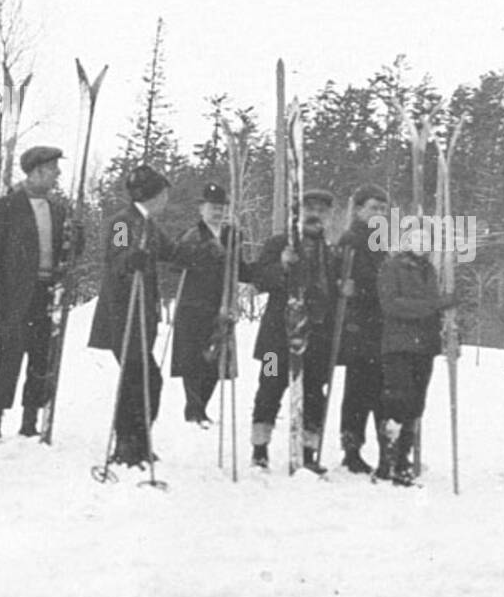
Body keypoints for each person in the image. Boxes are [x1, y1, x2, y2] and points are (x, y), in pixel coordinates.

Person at [89, 166, 207, 467]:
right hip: (122, 316)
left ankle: (136, 444)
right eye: (164, 193)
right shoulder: (122, 223)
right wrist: (132, 259)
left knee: (142, 381)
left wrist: (201, 250)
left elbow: (174, 252)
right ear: (154, 195)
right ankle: (128, 445)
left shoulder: (149, 225)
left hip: (143, 318)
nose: (167, 199)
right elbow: (115, 259)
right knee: (141, 381)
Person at [0, 145, 73, 438]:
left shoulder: (58, 210)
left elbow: (67, 252)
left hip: (45, 293)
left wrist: (75, 239)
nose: (57, 174)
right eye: (53, 168)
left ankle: (30, 419)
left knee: (41, 358)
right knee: (10, 357)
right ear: (37, 171)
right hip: (15, 295)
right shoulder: (7, 207)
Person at [249, 188, 338, 473]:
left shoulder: (331, 252)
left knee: (314, 394)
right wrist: (282, 266)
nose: (316, 215)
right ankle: (259, 449)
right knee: (270, 387)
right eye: (310, 209)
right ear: (299, 212)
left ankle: (309, 452)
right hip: (277, 339)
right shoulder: (279, 244)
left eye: (322, 211)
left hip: (316, 340)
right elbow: (260, 278)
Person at [375, 222, 456, 486]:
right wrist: (433, 306)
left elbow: (436, 306)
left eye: (426, 238)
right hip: (399, 345)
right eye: (416, 237)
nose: (421, 242)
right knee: (399, 400)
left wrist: (450, 331)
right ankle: (390, 461)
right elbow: (391, 304)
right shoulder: (392, 266)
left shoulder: (429, 270)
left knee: (415, 404)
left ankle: (403, 458)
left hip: (425, 346)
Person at [169, 183, 250, 427]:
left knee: (216, 358)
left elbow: (240, 269)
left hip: (220, 304)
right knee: (193, 359)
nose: (217, 212)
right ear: (201, 209)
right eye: (213, 207)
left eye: (222, 207)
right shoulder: (191, 234)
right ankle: (193, 409)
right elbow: (176, 263)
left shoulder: (233, 236)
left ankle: (202, 406)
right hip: (193, 305)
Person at [333, 183, 390, 475]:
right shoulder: (352, 239)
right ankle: (352, 448)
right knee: (358, 391)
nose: (379, 213)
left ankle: (386, 449)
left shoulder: (382, 241)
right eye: (373, 208)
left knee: (383, 391)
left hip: (381, 327)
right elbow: (349, 281)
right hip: (359, 326)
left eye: (383, 209)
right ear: (359, 210)